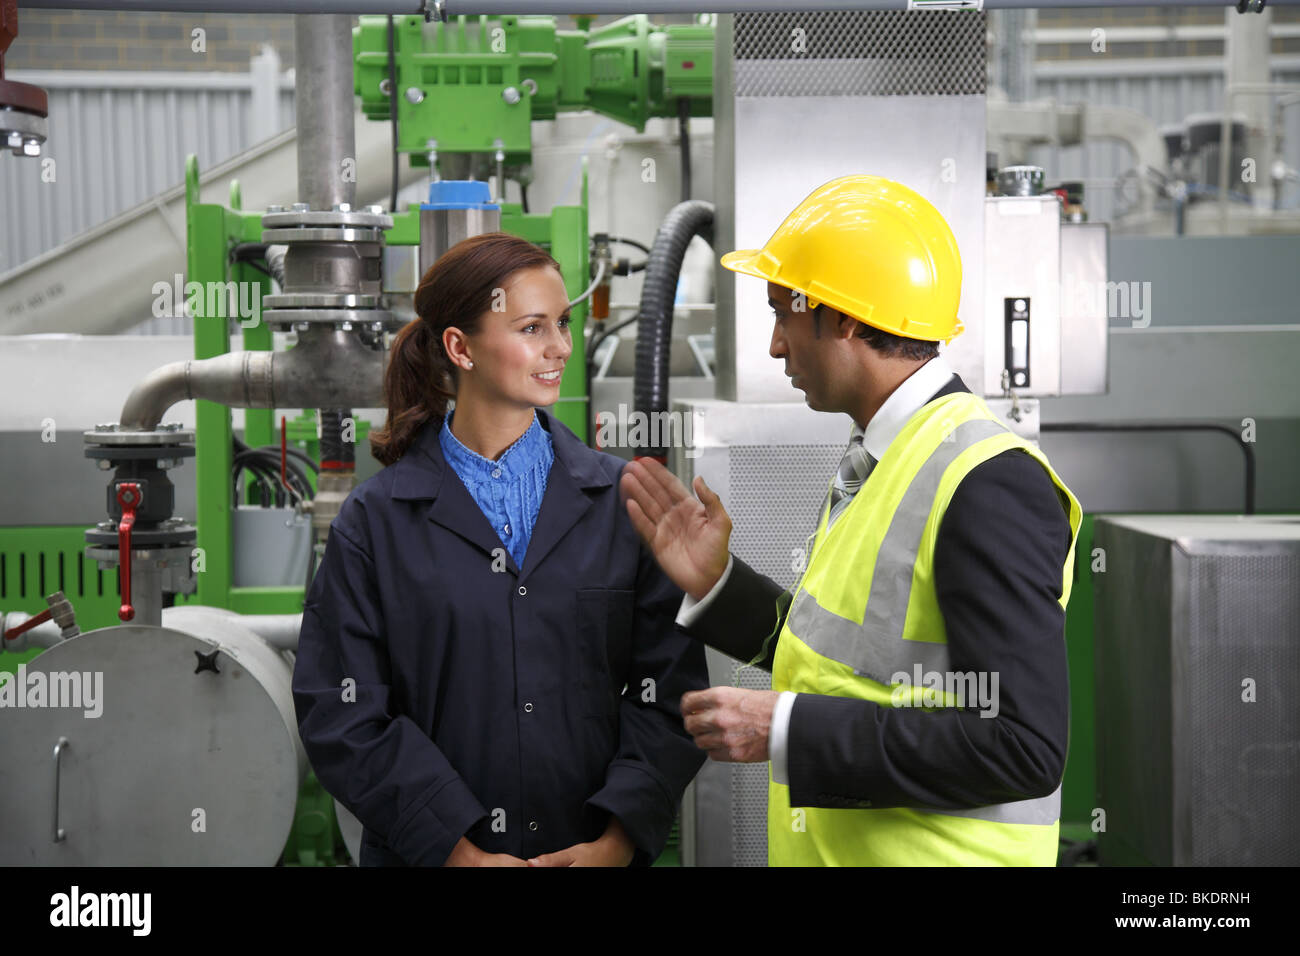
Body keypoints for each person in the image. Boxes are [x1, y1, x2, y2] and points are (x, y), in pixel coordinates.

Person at [620, 175, 1083, 866]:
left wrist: (786, 731)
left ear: (841, 318)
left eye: (782, 314)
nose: (776, 347)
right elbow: (850, 668)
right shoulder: (889, 455)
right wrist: (719, 584)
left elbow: (1019, 746)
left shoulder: (985, 482)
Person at [292, 231, 708, 867]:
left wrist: (616, 840)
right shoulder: (375, 523)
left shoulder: (622, 504)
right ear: (460, 347)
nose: (560, 348)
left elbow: (670, 691)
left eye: (563, 324)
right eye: (532, 327)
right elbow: (341, 713)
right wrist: (456, 850)